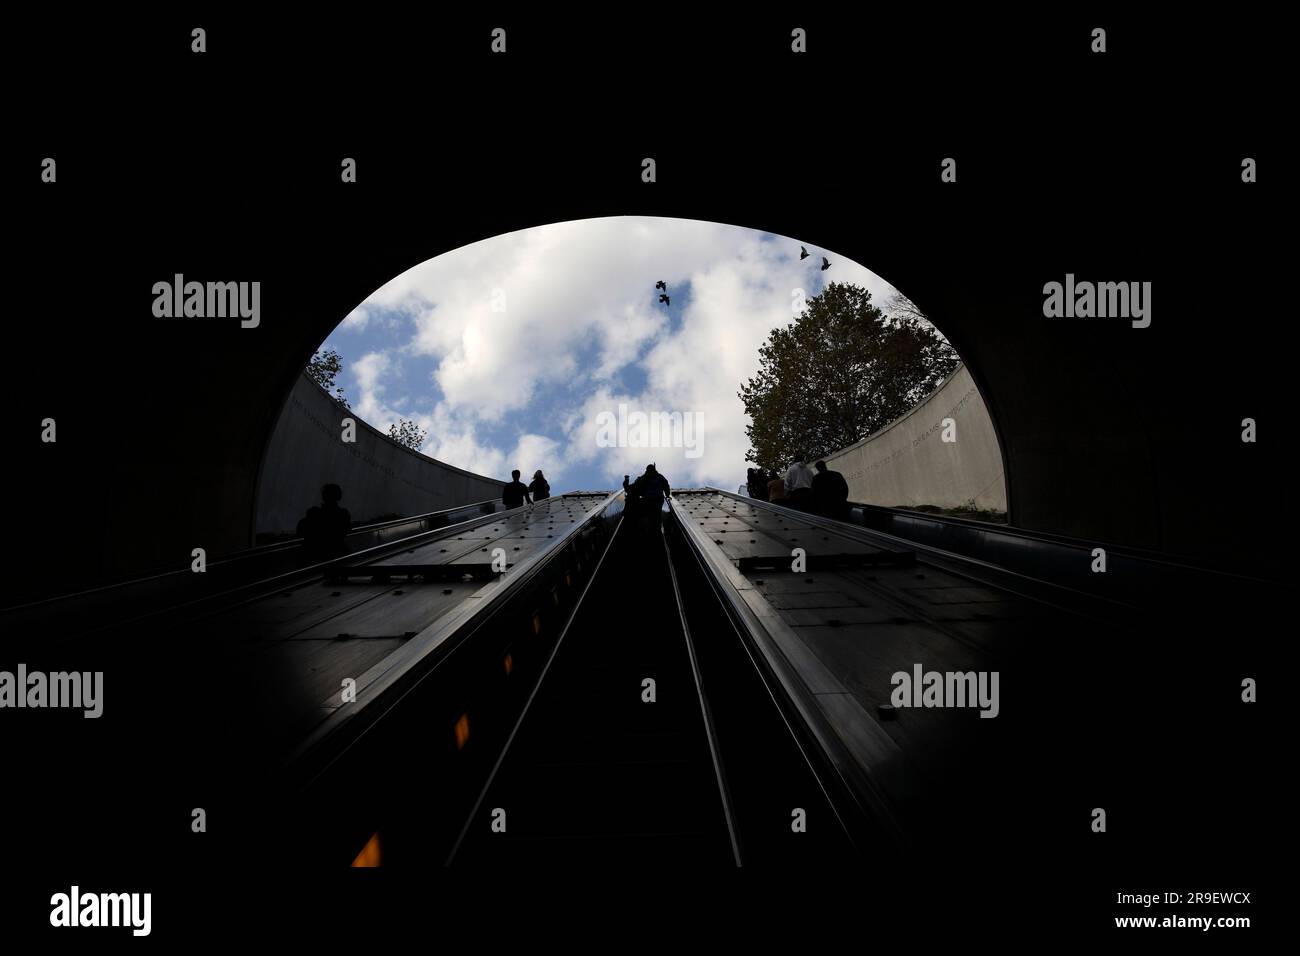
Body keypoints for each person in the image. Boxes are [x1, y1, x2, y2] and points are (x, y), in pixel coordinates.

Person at [297, 483, 352, 561]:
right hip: (337, 552)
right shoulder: (343, 514)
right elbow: (346, 531)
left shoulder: (314, 513)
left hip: (315, 554)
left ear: (324, 496)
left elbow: (301, 531)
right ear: (339, 496)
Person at [627, 463, 671, 534]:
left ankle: (642, 529)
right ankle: (658, 530)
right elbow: (666, 484)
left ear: (647, 470)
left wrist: (627, 486)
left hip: (647, 500)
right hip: (658, 500)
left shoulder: (645, 477)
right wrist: (667, 495)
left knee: (643, 515)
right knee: (656, 516)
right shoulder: (659, 476)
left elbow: (635, 486)